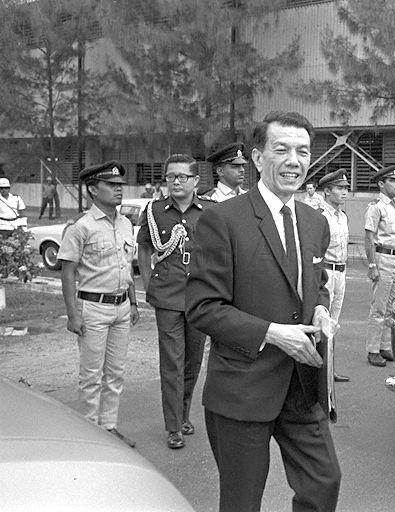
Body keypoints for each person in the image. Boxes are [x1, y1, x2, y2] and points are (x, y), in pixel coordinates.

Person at [186, 111, 341, 512]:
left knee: (324, 483)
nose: (294, 160)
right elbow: (203, 309)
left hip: (301, 386)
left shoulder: (313, 221)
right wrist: (272, 332)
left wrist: (321, 311)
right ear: (257, 158)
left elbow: (316, 286)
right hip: (243, 389)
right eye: (282, 149)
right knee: (241, 503)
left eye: (303, 151)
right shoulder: (222, 220)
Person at [58, 161, 141, 448]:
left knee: (115, 373)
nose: (119, 190)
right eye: (112, 185)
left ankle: (109, 427)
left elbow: (126, 266)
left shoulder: (125, 223)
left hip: (120, 308)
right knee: (91, 376)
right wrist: (73, 315)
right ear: (94, 189)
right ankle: (89, 435)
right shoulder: (80, 227)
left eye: (120, 185)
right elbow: (68, 272)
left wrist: (132, 302)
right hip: (92, 308)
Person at [137, 154, 214, 450]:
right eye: (171, 177)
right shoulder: (154, 212)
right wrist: (147, 284)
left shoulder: (210, 211)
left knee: (193, 362)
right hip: (167, 297)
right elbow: (144, 249)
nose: (176, 181)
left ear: (195, 181)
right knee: (172, 363)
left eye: (183, 176)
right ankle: (173, 427)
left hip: (198, 298)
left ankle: (182, 413)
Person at [364, 165, 395, 367]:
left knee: (392, 307)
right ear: (381, 184)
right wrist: (372, 264)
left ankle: (384, 346)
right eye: (392, 181)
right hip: (384, 258)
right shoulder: (376, 207)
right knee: (379, 307)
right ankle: (373, 349)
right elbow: (369, 238)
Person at [319, 169, 351, 383]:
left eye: (346, 188)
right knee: (322, 321)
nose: (344, 192)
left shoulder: (342, 217)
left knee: (334, 322)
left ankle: (330, 369)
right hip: (326, 272)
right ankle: (319, 370)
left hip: (341, 271)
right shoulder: (320, 217)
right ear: (327, 191)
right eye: (339, 188)